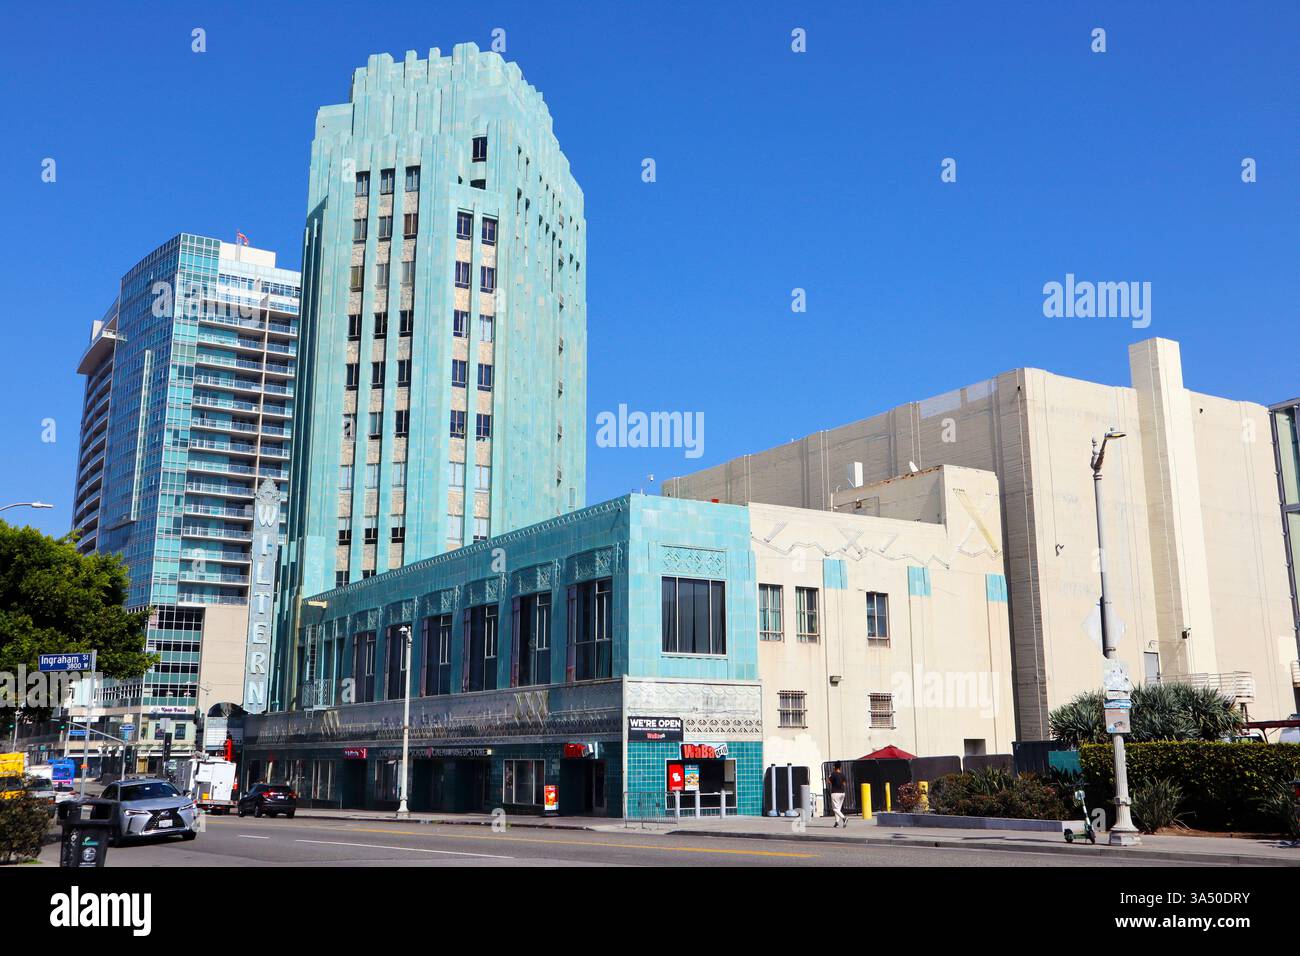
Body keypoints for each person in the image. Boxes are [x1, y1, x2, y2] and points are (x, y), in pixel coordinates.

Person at [827, 762, 848, 827]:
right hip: (842, 793)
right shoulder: (843, 775)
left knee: (835, 809)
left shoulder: (832, 774)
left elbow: (828, 781)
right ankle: (837, 823)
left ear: (834, 767)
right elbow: (844, 783)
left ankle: (844, 818)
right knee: (838, 808)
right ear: (840, 767)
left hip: (835, 793)